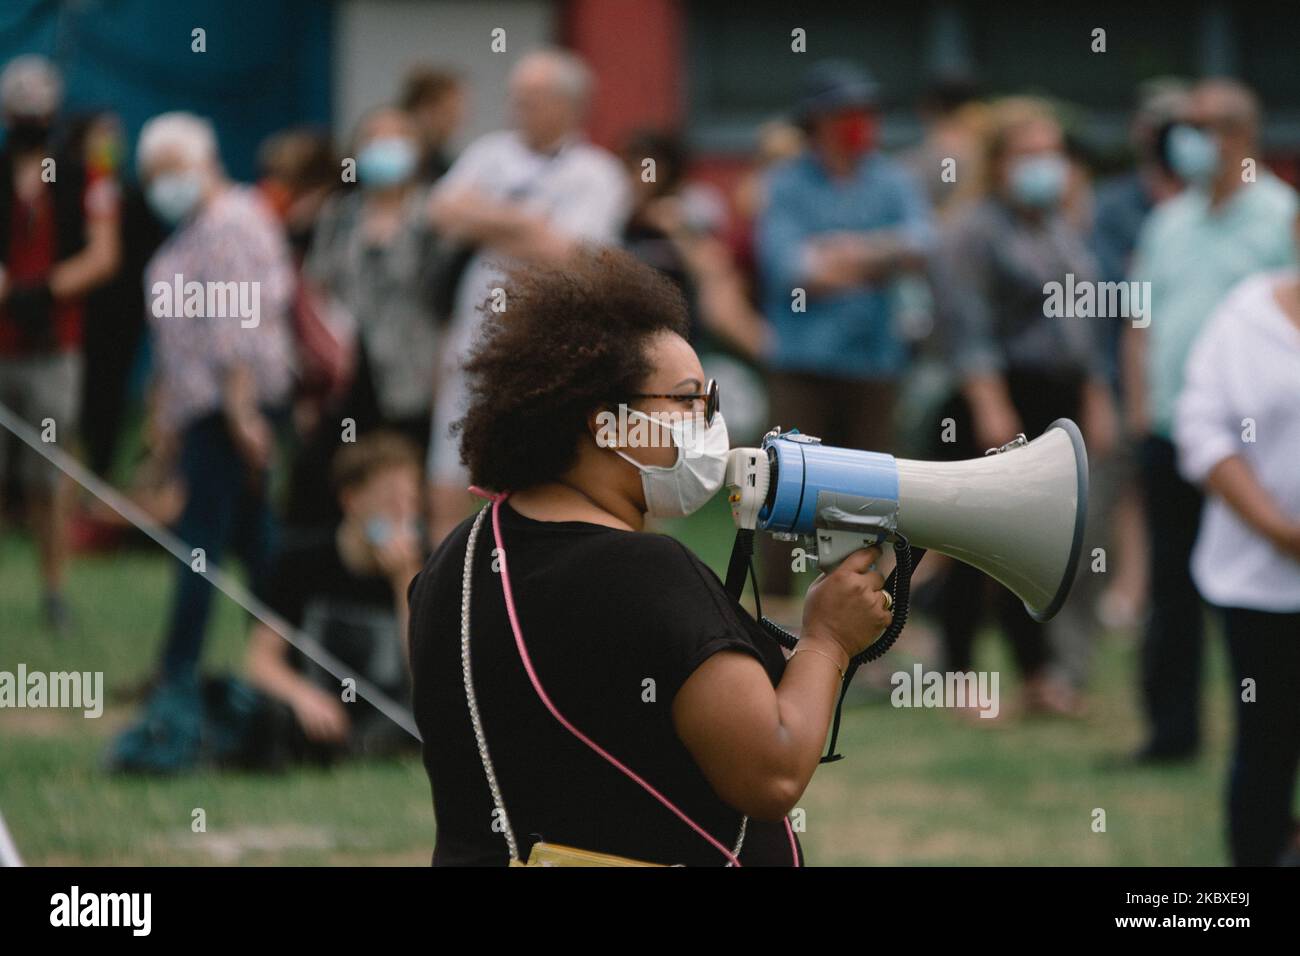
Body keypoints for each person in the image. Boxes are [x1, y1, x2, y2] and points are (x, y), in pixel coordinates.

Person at [408, 249, 893, 866]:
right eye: (686, 400)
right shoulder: (648, 573)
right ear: (608, 426)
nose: (709, 422)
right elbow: (771, 773)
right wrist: (828, 640)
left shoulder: (456, 559)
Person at [107, 111, 295, 773]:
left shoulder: (234, 222)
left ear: (201, 161)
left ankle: (180, 672)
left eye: (167, 173)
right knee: (254, 545)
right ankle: (280, 663)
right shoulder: (187, 232)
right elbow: (174, 341)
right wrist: (161, 423)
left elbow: (238, 326)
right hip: (198, 413)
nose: (160, 187)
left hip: (230, 412)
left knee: (201, 547)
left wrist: (244, 417)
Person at [1125, 78, 1298, 763]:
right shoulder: (1168, 220)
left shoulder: (1282, 216)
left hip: (1256, 448)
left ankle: (1262, 735)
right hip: (1173, 432)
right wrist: (1140, 409)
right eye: (1184, 125)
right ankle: (1173, 732)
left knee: (1253, 596)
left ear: (1242, 136)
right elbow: (1140, 321)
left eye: (1205, 125)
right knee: (1171, 592)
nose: (1188, 139)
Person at [928, 97, 1115, 716]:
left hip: (1055, 397)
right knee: (968, 539)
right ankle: (955, 678)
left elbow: (1080, 326)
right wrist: (990, 405)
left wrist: (1094, 396)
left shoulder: (1061, 227)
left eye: (1052, 153)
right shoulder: (972, 230)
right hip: (996, 397)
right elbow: (967, 327)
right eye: (1029, 155)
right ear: (1000, 162)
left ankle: (1038, 676)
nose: (1045, 166)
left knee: (1036, 540)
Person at [425, 48, 629, 544]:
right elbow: (440, 211)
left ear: (569, 105)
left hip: (545, 356)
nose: (518, 109)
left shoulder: (598, 174)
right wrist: (524, 220)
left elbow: (566, 251)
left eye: (533, 99)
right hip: (473, 347)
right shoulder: (488, 153)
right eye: (517, 98)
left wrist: (485, 221)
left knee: (527, 482)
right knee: (449, 477)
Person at [755, 59, 931, 599]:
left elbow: (924, 245)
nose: (861, 124)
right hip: (802, 364)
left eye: (866, 112)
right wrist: (882, 253)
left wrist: (847, 250)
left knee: (870, 496)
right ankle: (778, 610)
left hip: (875, 365)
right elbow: (796, 269)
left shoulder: (892, 178)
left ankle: (856, 603)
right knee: (787, 487)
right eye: (847, 114)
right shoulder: (786, 185)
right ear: (818, 121)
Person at [1174, 249, 1300, 866]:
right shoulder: (1245, 316)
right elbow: (1200, 427)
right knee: (1266, 742)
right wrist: (1277, 528)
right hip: (1256, 579)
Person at [0, 55, 119, 630]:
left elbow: (103, 252)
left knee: (47, 475)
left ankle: (54, 593)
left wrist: (42, 291)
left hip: (54, 346)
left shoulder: (79, 172)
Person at [245, 431, 425, 765]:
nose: (404, 514)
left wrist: (404, 582)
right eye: (390, 501)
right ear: (352, 501)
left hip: (393, 719)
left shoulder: (425, 568)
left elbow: (425, 680)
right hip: (316, 714)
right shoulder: (300, 561)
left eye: (411, 502)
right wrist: (303, 697)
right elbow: (260, 661)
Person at [399, 66, 465, 184]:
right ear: (424, 110)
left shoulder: (442, 168)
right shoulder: (388, 161)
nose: (457, 121)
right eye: (449, 112)